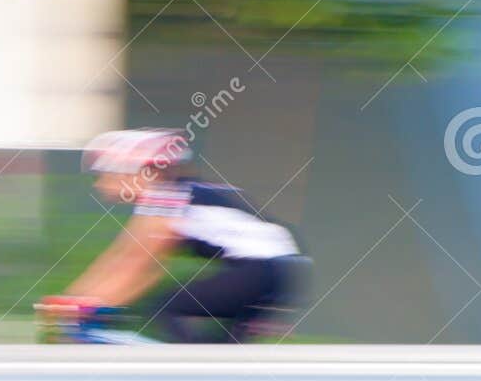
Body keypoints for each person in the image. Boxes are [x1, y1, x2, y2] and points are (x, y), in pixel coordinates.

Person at [39, 128, 306, 343]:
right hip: (279, 270)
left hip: (259, 270)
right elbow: (137, 264)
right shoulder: (178, 194)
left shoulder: (164, 196)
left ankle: (190, 372)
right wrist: (83, 300)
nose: (99, 183)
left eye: (106, 175)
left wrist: (83, 305)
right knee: (220, 352)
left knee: (163, 305)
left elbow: (133, 263)